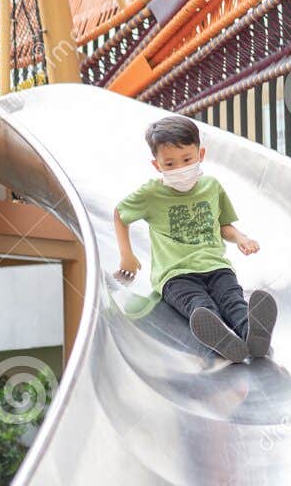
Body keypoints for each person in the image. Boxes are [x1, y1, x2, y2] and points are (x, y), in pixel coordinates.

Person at [114, 115, 277, 362]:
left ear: (200, 154)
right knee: (199, 306)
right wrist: (126, 254)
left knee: (234, 301)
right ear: (157, 165)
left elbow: (223, 226)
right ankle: (221, 339)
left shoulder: (211, 187)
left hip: (216, 266)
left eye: (187, 160)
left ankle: (254, 337)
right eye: (169, 164)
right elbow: (120, 214)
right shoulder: (151, 194)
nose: (179, 168)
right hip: (175, 275)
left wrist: (241, 238)